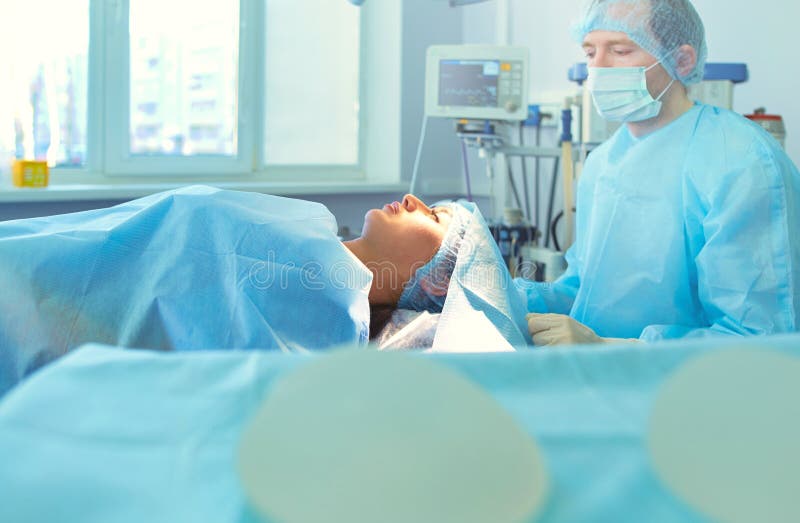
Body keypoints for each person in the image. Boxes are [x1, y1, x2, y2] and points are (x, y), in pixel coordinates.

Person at [0, 186, 471, 395]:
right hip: (55, 255)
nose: (414, 200)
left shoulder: (331, 311)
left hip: (40, 306)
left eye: (434, 217)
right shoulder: (313, 232)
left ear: (434, 279)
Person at [522, 0, 800, 346]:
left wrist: (611, 349)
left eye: (621, 51)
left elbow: (757, 338)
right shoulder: (602, 163)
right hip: (594, 375)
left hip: (688, 381)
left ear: (681, 60)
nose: (598, 68)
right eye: (590, 53)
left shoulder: (741, 161)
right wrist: (502, 294)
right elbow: (584, 289)